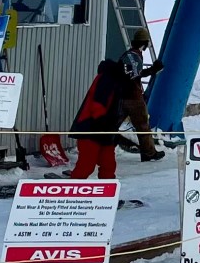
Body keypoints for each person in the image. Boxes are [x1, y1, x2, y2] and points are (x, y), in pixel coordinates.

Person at [67, 59, 132, 180]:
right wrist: (103, 123)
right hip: (91, 128)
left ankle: (107, 194)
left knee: (108, 164)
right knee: (86, 165)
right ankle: (72, 194)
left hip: (106, 130)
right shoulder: (108, 78)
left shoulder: (118, 81)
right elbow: (98, 104)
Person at [117, 27, 165, 161]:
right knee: (143, 125)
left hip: (121, 97)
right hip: (133, 98)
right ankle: (149, 153)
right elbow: (135, 75)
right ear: (144, 43)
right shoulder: (135, 57)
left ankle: (101, 147)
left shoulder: (127, 55)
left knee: (113, 125)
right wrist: (153, 70)